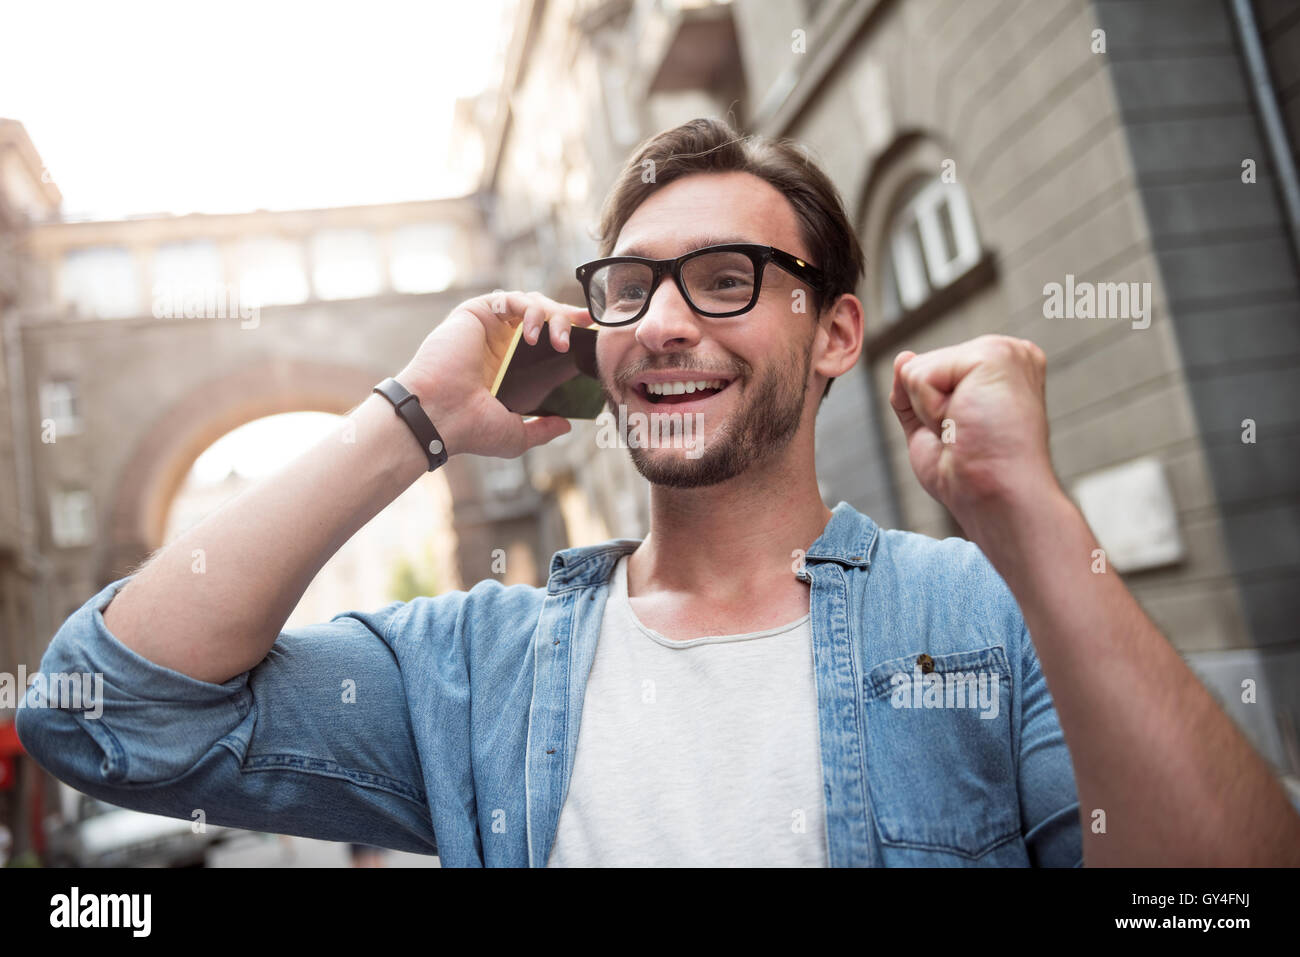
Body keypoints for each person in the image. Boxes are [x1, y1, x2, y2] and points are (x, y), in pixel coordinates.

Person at [16, 118, 1300, 867]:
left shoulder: (981, 620)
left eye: (728, 277)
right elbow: (115, 716)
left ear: (836, 329)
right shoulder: (477, 667)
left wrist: (1032, 518)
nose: (664, 324)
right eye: (629, 289)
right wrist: (411, 420)